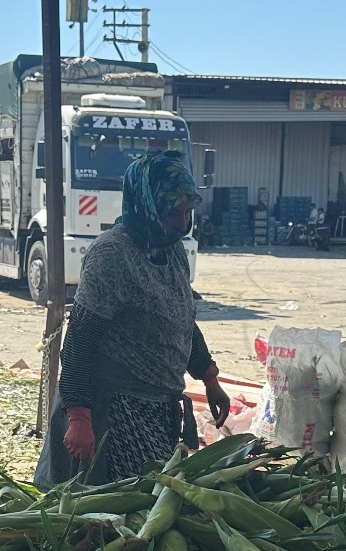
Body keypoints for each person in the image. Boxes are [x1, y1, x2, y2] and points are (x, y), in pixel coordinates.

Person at [36, 151, 228, 487]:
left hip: (156, 407)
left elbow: (180, 317)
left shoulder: (171, 250)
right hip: (113, 409)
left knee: (148, 502)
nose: (181, 224)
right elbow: (80, 340)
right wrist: (79, 417)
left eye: (187, 213)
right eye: (172, 213)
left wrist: (209, 378)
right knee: (115, 511)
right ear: (146, 204)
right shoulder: (112, 255)